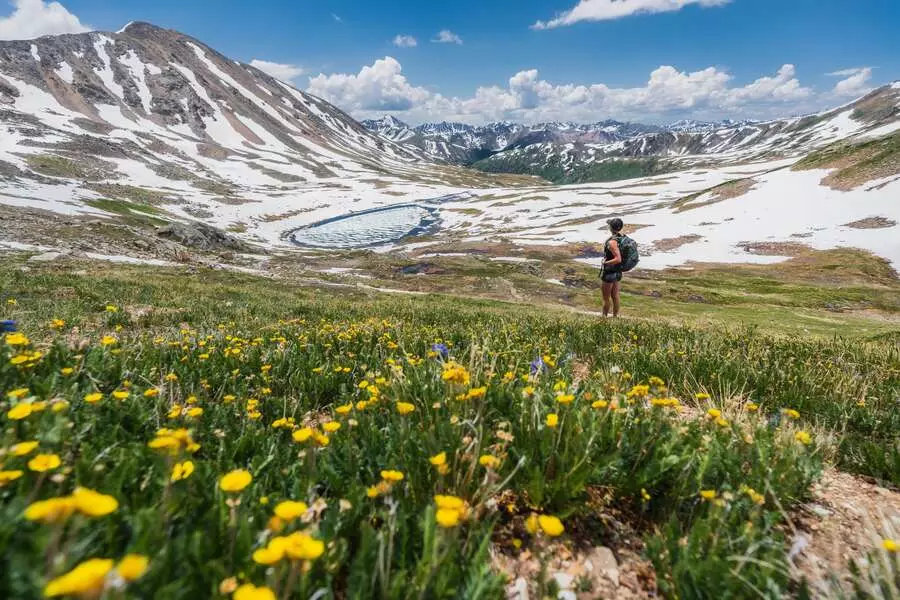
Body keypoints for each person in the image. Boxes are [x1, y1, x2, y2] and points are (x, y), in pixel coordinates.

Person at [600, 218, 625, 317]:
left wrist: (605, 262)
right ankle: (615, 317)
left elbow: (618, 259)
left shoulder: (612, 242)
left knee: (606, 298)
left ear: (611, 227)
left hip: (610, 272)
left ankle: (604, 318)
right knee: (615, 296)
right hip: (618, 271)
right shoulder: (622, 238)